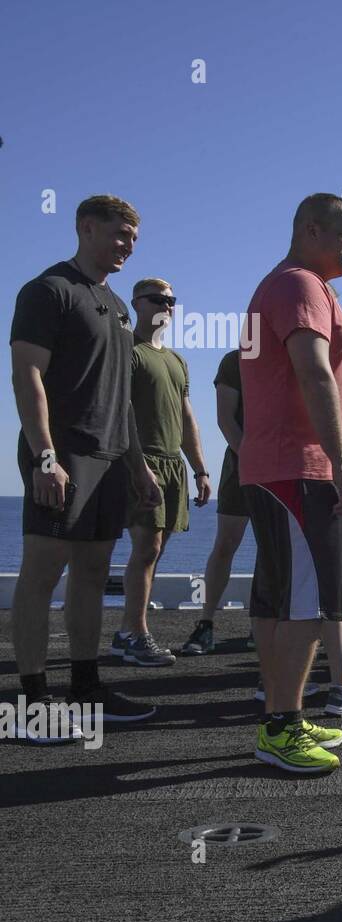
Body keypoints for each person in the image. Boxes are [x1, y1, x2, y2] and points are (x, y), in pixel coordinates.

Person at [10, 194, 161, 736]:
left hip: (110, 455)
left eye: (133, 239)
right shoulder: (48, 290)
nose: (127, 246)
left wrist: (138, 465)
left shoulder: (119, 308)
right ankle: (30, 701)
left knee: (94, 574)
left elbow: (120, 397)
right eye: (119, 234)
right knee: (43, 572)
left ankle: (84, 684)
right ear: (86, 228)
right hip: (63, 451)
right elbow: (26, 374)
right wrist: (45, 454)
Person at [239, 193, 342, 775]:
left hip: (273, 465)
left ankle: (279, 714)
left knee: (276, 600)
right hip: (301, 467)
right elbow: (313, 370)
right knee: (308, 605)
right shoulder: (299, 284)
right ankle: (282, 729)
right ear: (311, 228)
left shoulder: (275, 286)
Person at [110, 278, 210, 666]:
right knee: (146, 548)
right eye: (158, 299)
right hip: (141, 460)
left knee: (156, 551)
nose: (167, 305)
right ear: (137, 303)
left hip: (173, 465)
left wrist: (200, 468)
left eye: (172, 300)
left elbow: (187, 417)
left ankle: (129, 631)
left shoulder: (177, 360)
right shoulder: (128, 351)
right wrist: (138, 466)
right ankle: (135, 633)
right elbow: (123, 412)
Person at [181, 348, 251, 655]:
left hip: (281, 466)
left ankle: (263, 624)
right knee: (225, 545)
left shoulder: (290, 357)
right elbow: (225, 419)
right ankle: (206, 623)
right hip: (241, 465)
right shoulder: (234, 361)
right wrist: (250, 460)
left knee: (276, 551)